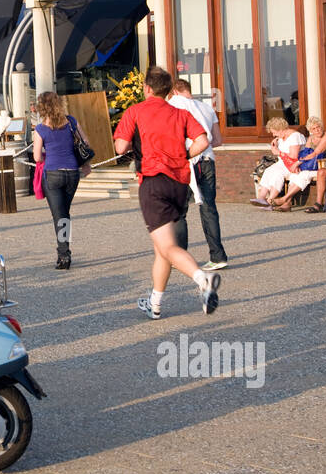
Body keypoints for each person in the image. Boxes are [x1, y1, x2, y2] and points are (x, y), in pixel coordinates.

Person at [113, 65, 220, 319]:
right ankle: (155, 303)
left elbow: (120, 147)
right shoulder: (179, 113)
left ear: (147, 88)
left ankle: (203, 280)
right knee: (161, 248)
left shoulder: (135, 111)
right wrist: (182, 155)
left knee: (168, 247)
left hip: (153, 182)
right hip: (179, 183)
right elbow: (204, 141)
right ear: (170, 90)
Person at [168, 79, 228, 269]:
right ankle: (218, 256)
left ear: (175, 91)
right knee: (209, 207)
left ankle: (180, 257)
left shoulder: (173, 105)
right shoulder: (207, 108)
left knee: (179, 209)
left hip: (186, 160)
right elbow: (217, 140)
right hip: (207, 159)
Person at [31, 91, 89, 271]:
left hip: (53, 174)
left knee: (59, 215)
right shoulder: (71, 122)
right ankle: (64, 251)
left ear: (42, 108)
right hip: (72, 172)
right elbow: (85, 142)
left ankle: (64, 255)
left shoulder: (40, 129)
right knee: (64, 213)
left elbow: (37, 157)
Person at [268, 116, 326, 213]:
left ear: (322, 126)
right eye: (313, 129)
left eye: (318, 127)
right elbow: (305, 153)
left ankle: (284, 199)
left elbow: (316, 153)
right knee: (295, 174)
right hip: (311, 165)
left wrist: (297, 163)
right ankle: (287, 203)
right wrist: (297, 165)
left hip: (325, 165)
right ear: (310, 130)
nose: (317, 130)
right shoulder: (311, 138)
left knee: (304, 175)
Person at [253, 117, 306, 208]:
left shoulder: (295, 136)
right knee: (268, 171)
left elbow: (293, 156)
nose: (273, 135)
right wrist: (276, 144)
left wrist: (278, 152)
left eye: (274, 132)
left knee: (277, 174)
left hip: (293, 164)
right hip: (283, 163)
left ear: (281, 129)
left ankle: (270, 201)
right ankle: (261, 198)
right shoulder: (281, 137)